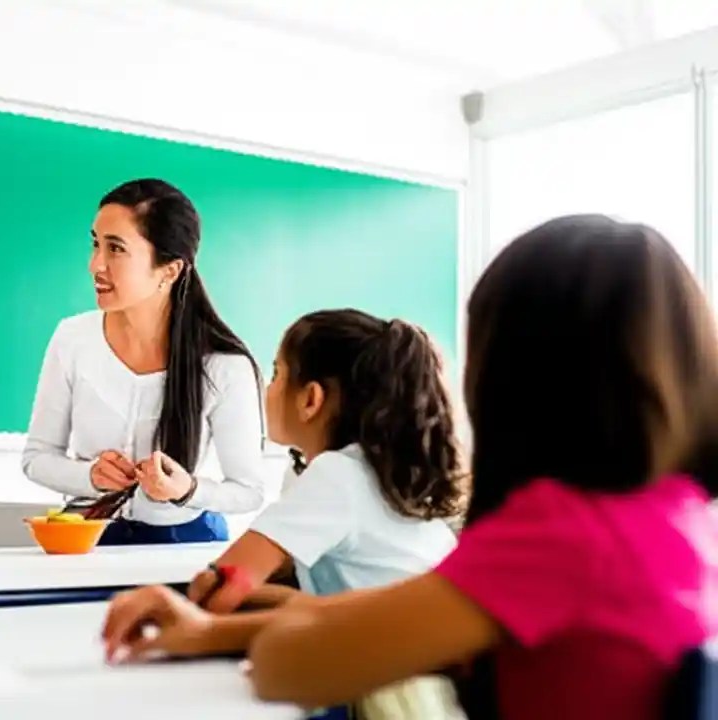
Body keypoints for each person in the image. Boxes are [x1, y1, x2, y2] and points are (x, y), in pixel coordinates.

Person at [101, 215, 718, 719]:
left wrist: (243, 621)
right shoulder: (676, 520)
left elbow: (286, 666)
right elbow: (394, 607)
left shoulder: (561, 536)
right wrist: (210, 631)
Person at [21, 178, 266, 545]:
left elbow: (249, 491)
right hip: (87, 538)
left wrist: (188, 490)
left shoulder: (224, 365)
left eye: (115, 249)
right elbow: (36, 458)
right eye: (95, 244)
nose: (95, 264)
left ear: (169, 270)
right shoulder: (72, 338)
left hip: (185, 544)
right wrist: (90, 476)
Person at [186, 309, 464, 612]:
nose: (266, 390)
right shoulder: (384, 475)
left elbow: (219, 592)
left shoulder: (336, 475)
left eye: (277, 374)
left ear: (310, 400)